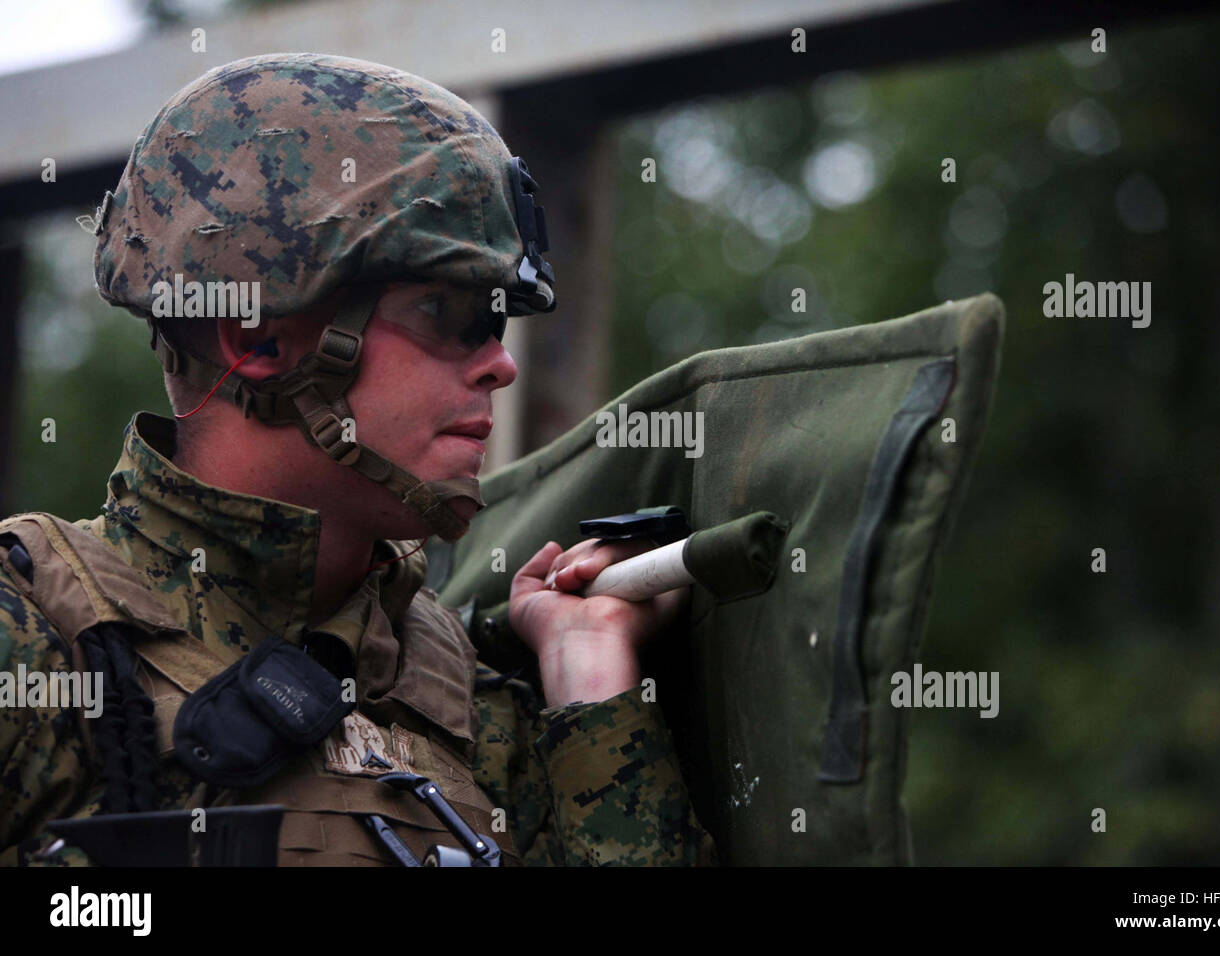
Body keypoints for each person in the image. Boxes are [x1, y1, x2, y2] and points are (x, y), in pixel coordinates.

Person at [0, 52, 714, 866]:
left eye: (496, 320)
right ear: (260, 338)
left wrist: (591, 678)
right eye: (446, 313)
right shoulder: (35, 643)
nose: (498, 364)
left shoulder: (479, 702)